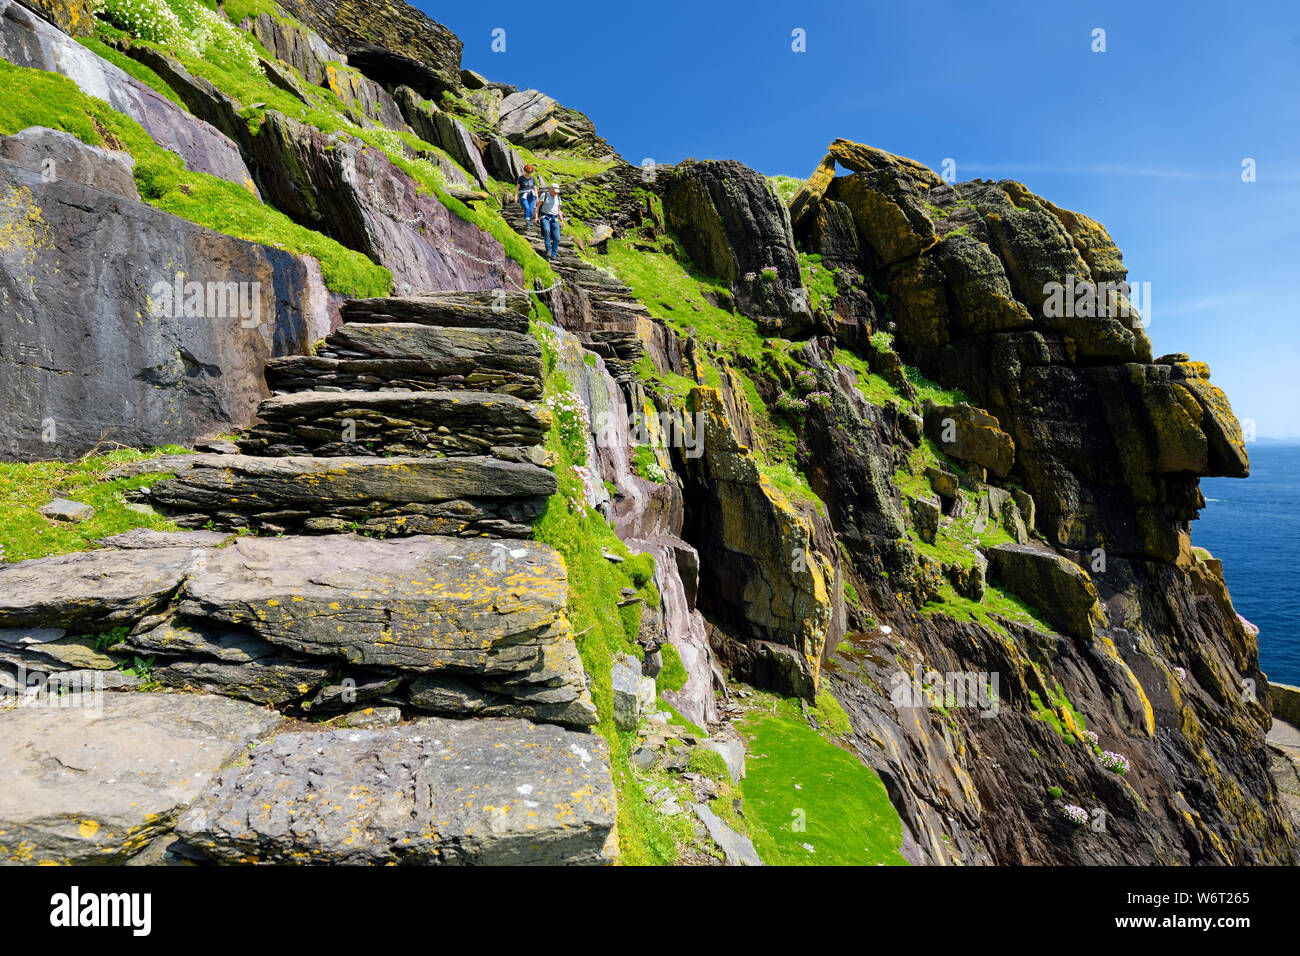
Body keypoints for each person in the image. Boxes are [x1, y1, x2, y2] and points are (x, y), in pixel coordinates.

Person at [538, 182, 564, 259]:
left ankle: (554, 254)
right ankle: (548, 250)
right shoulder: (544, 195)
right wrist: (536, 217)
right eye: (554, 191)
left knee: (557, 238)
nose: (555, 193)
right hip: (545, 217)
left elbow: (559, 210)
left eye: (556, 191)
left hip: (554, 218)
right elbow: (538, 206)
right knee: (547, 231)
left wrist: (562, 220)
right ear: (550, 189)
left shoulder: (558, 198)